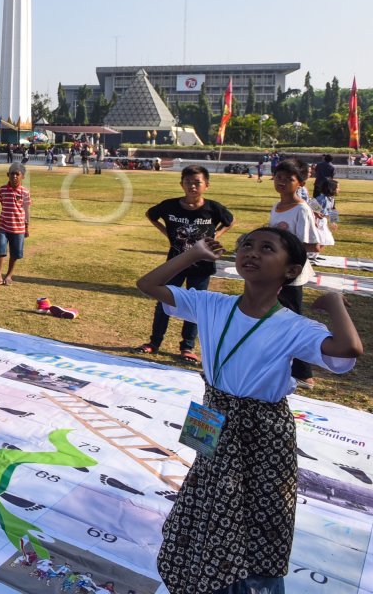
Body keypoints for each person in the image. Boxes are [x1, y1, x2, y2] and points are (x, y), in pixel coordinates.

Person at [136, 230, 361, 594]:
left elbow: (349, 348)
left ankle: (256, 584)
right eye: (247, 246)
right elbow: (148, 284)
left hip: (262, 429)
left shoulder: (293, 326)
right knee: (210, 497)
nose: (251, 253)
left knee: (262, 510)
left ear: (290, 271)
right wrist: (193, 254)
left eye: (266, 249)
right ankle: (204, 574)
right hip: (214, 415)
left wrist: (334, 302)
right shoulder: (212, 304)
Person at [138, 165, 234, 361]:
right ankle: (154, 342)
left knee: (196, 305)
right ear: (181, 184)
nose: (192, 186)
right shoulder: (169, 206)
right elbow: (151, 215)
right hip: (175, 263)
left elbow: (230, 221)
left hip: (202, 265)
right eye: (188, 182)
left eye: (197, 182)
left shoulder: (213, 208)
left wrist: (216, 235)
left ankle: (187, 347)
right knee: (163, 301)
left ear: (206, 185)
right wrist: (168, 234)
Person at [269, 157, 322, 387]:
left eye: (288, 179)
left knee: (293, 323)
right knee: (272, 321)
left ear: (300, 182)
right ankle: (278, 366)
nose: (281, 182)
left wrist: (289, 256)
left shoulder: (302, 210)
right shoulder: (277, 206)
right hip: (274, 274)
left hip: (292, 277)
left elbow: (313, 245)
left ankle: (304, 373)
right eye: (278, 177)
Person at [0, 163, 30, 287]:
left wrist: (27, 227)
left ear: (22, 176)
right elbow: (2, 203)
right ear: (8, 175)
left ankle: (9, 275)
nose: (14, 176)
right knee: (0, 250)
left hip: (18, 228)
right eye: (12, 174)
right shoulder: (2, 189)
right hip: (3, 226)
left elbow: (26, 210)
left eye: (17, 174)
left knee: (15, 253)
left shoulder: (25, 192)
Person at [313, 179, 338, 249]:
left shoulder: (331, 198)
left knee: (325, 240)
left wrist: (333, 221)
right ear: (332, 189)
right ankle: (311, 255)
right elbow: (313, 210)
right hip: (318, 221)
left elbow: (333, 208)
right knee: (323, 239)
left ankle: (314, 255)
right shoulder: (321, 199)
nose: (339, 189)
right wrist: (314, 222)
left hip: (323, 221)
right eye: (337, 188)